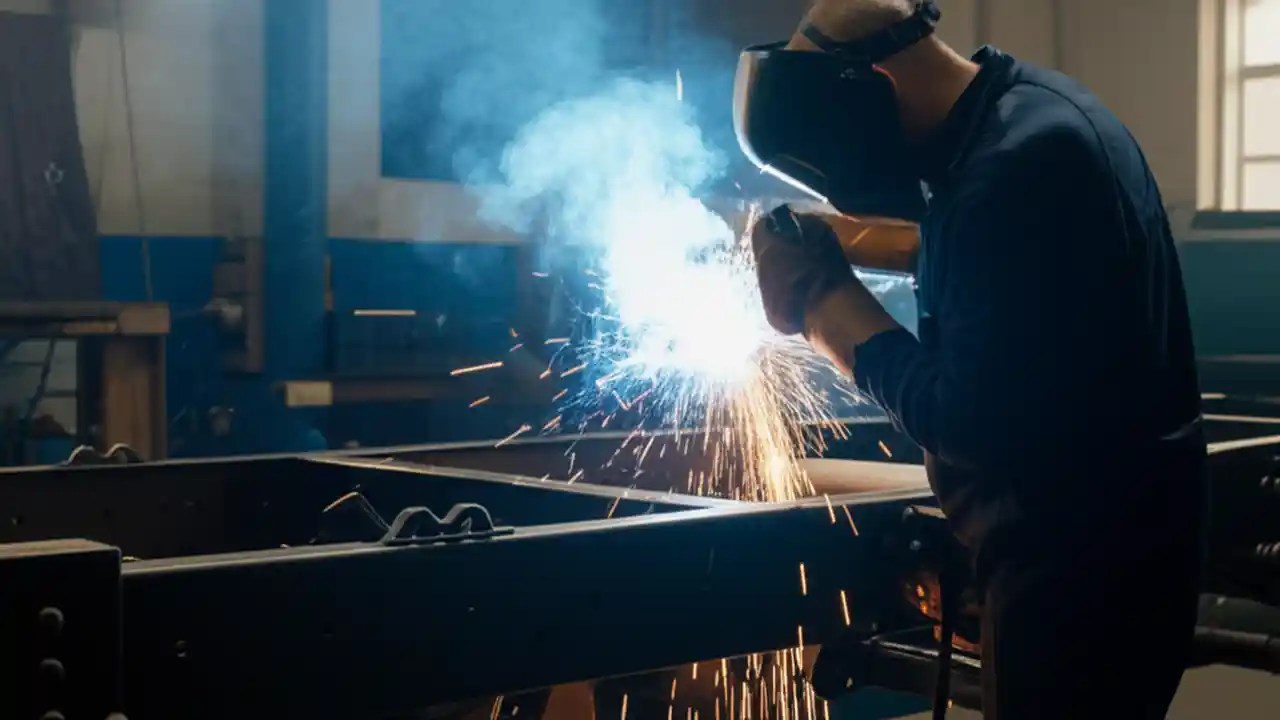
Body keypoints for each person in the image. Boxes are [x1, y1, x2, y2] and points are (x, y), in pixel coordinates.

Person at [738, 1, 1207, 717]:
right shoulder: (1027, 115)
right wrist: (839, 242)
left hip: (1079, 578)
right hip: (1100, 552)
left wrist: (824, 309)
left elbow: (964, 420)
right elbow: (993, 264)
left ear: (876, 87)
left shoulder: (1018, 170)